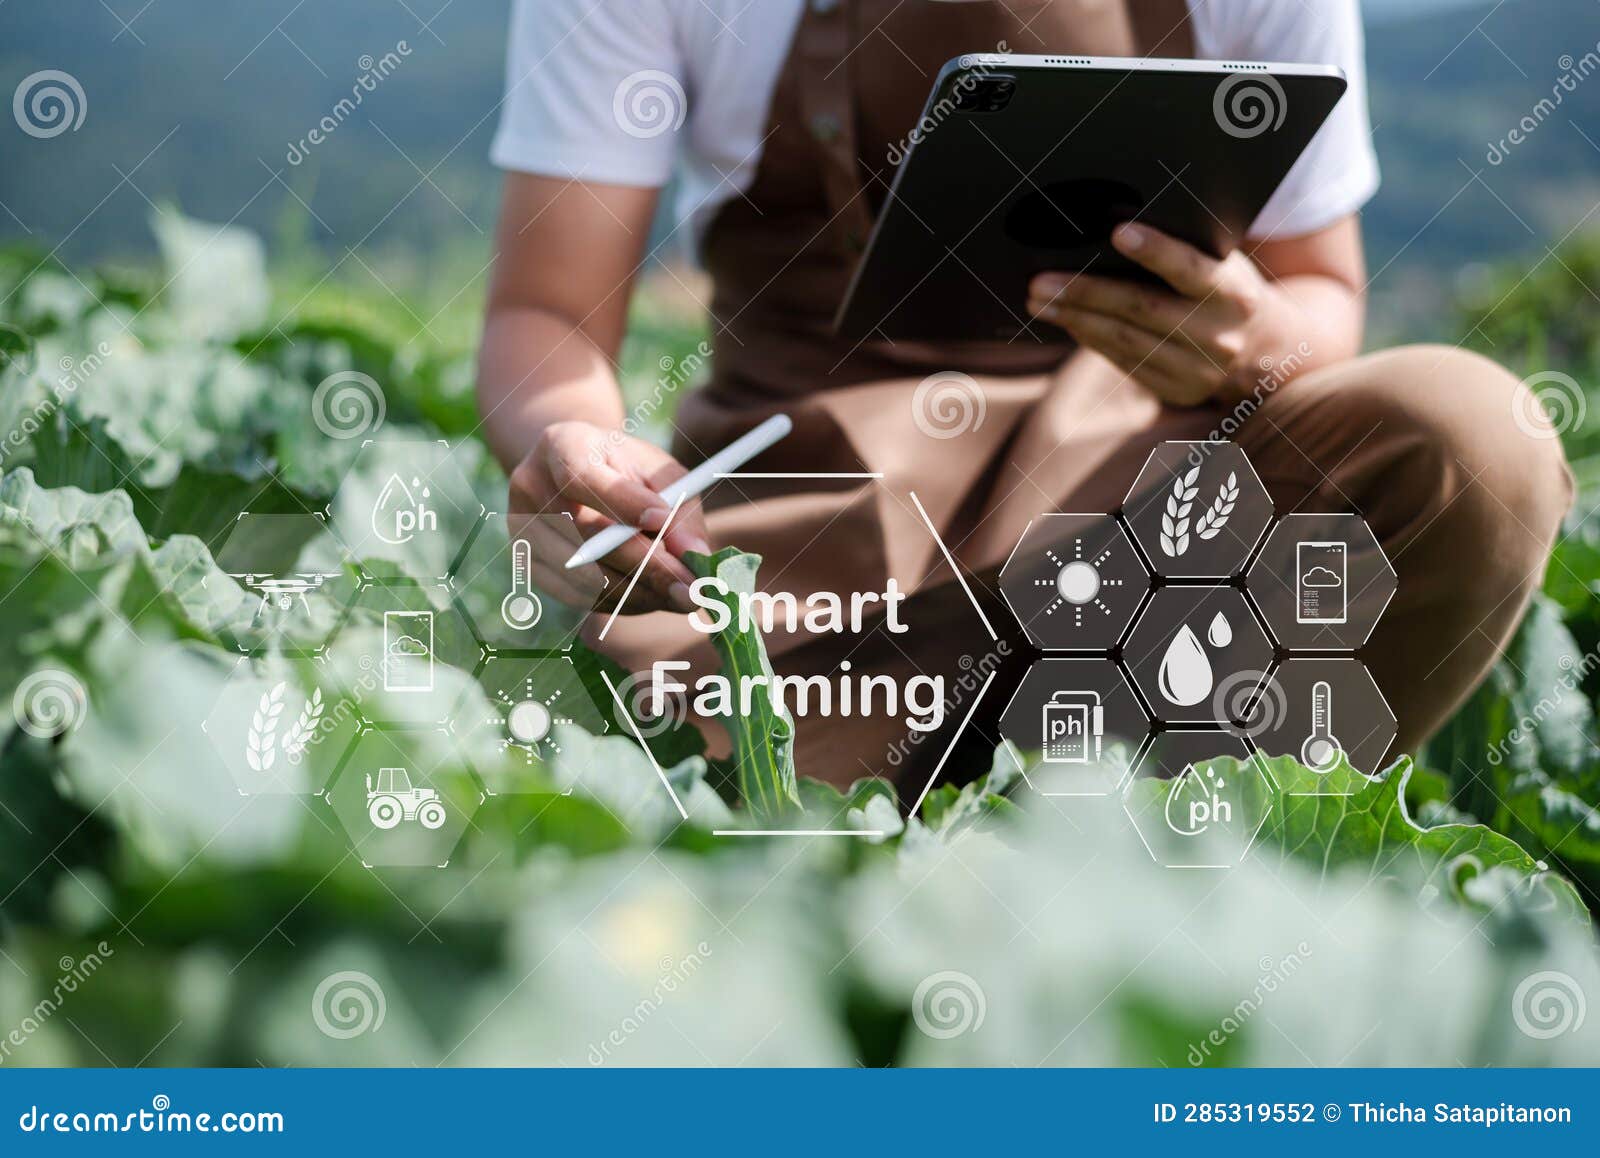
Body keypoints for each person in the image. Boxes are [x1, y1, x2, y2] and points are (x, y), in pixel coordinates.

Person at [477, 0, 1571, 787]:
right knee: (670, 764)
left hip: (1155, 527)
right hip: (811, 551)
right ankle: (1077, 812)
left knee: (1473, 445)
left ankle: (1127, 849)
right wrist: (573, 442)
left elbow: (1321, 289)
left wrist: (1257, 345)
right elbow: (548, 312)